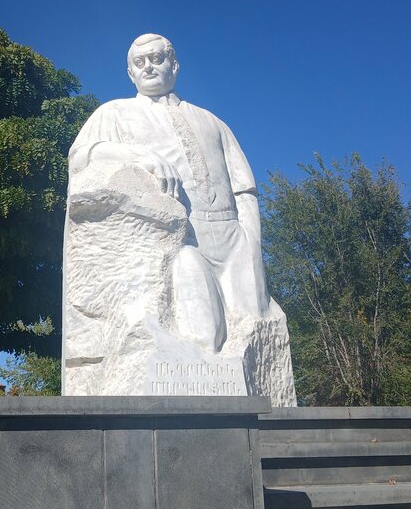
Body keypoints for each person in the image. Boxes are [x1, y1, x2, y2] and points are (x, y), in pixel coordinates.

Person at [67, 33, 272, 354]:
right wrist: (139, 156)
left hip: (232, 240)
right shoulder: (114, 113)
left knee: (251, 327)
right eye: (139, 62)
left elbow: (244, 189)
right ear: (130, 74)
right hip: (179, 238)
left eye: (156, 59)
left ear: (174, 66)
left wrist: (251, 244)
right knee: (203, 336)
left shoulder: (213, 122)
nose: (148, 67)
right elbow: (81, 157)